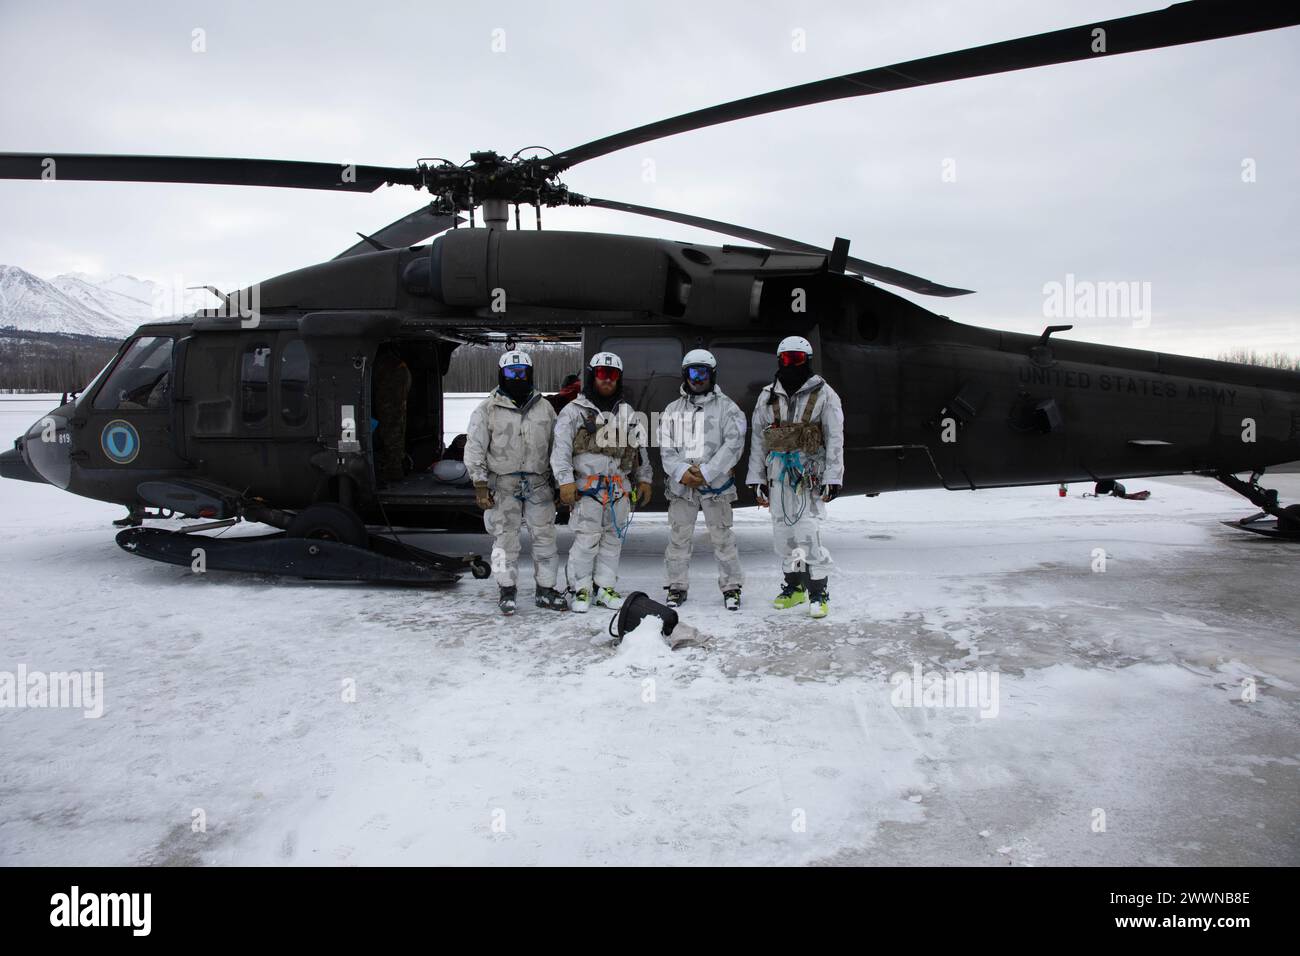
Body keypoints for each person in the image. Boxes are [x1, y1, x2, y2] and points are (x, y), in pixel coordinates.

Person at [745, 335, 845, 619]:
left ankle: (818, 591)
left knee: (807, 533)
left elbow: (835, 438)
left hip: (808, 475)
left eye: (797, 359)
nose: (791, 364)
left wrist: (833, 475)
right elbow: (759, 440)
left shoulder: (824, 393)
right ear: (780, 360)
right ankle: (795, 587)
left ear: (808, 361)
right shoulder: (768, 396)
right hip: (777, 475)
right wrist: (757, 478)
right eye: (787, 359)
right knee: (784, 536)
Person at [463, 349, 566, 615]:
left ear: (530, 374)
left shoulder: (544, 408)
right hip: (503, 485)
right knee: (503, 541)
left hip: (538, 483)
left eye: (522, 372)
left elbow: (558, 448)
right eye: (511, 372)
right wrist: (480, 484)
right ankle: (506, 589)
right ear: (502, 373)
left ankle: (546, 589)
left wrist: (559, 483)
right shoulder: (488, 409)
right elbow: (474, 448)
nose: (517, 377)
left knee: (545, 539)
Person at [551, 351, 652, 613]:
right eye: (602, 374)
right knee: (586, 541)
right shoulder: (573, 412)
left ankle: (604, 588)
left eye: (613, 375)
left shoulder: (627, 413)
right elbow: (560, 450)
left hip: (618, 489)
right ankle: (580, 589)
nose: (607, 380)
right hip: (587, 490)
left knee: (612, 541)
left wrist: (644, 480)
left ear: (619, 379)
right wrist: (564, 482)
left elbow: (640, 451)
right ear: (592, 376)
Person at [659, 348, 747, 610]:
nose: (698, 378)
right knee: (679, 537)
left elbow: (734, 444)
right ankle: (676, 586)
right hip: (682, 487)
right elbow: (665, 447)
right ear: (685, 375)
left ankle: (731, 587)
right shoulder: (672, 410)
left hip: (716, 486)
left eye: (703, 372)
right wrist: (682, 473)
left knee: (722, 537)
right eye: (693, 372)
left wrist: (707, 472)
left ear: (712, 374)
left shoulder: (728, 409)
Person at [372, 344, 412, 482]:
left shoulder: (389, 366)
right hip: (393, 379)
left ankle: (393, 468)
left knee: (391, 425)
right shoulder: (390, 362)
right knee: (393, 424)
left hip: (392, 381)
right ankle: (394, 466)